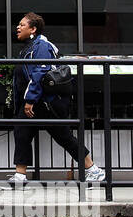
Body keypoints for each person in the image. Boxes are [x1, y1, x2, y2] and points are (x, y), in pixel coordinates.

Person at [9, 12, 105, 187]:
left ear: (33, 29)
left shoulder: (41, 46)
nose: (18, 27)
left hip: (46, 102)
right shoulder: (31, 46)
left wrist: (29, 100)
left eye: (22, 25)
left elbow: (39, 72)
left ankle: (93, 170)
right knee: (22, 131)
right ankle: (20, 175)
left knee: (63, 136)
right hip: (39, 101)